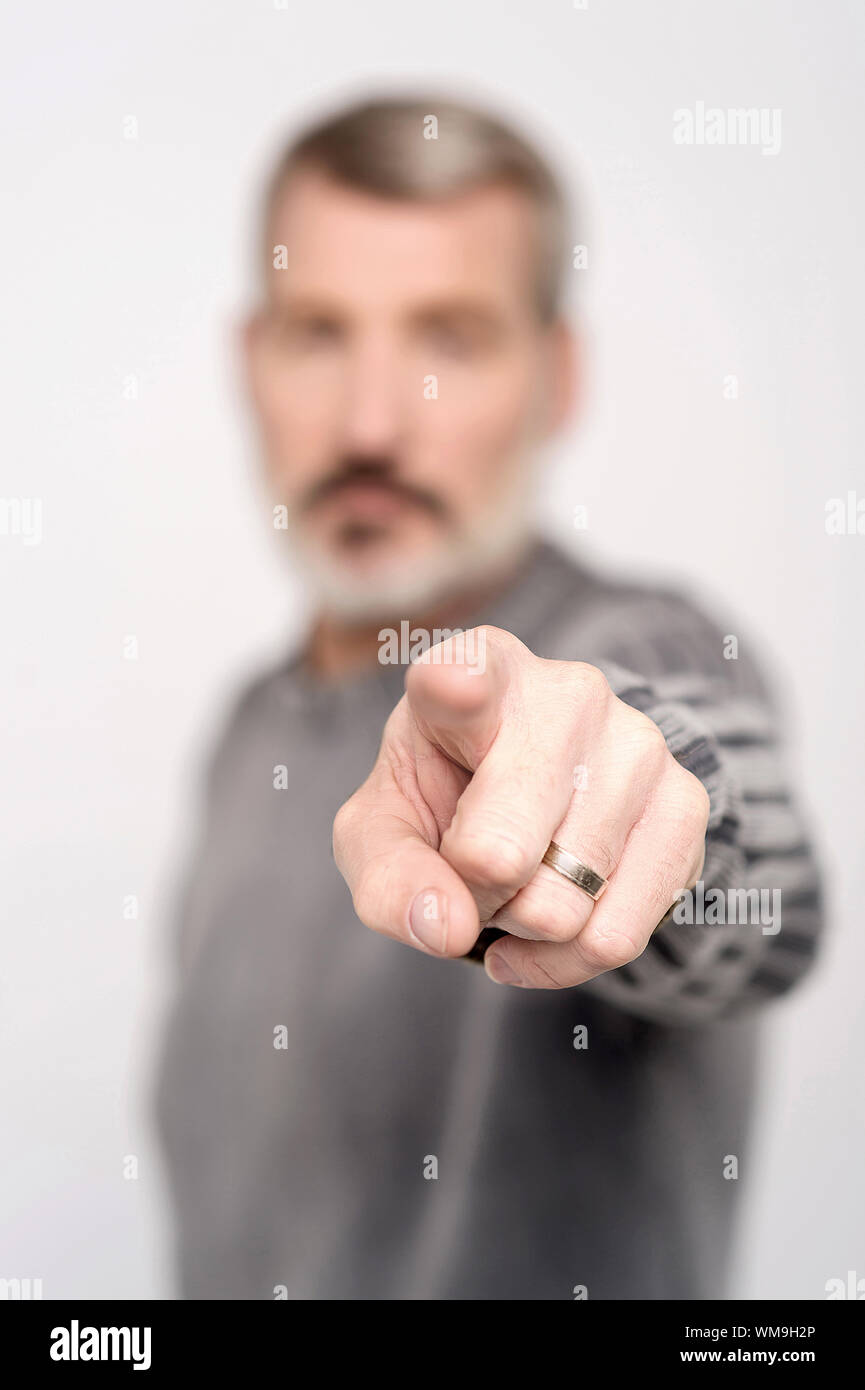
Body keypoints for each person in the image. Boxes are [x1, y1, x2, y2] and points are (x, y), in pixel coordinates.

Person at [154, 95, 823, 1300]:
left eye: (447, 339)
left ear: (554, 379)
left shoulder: (642, 645)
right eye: (318, 333)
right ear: (250, 365)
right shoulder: (246, 731)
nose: (369, 425)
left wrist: (645, 797)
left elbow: (732, 849)